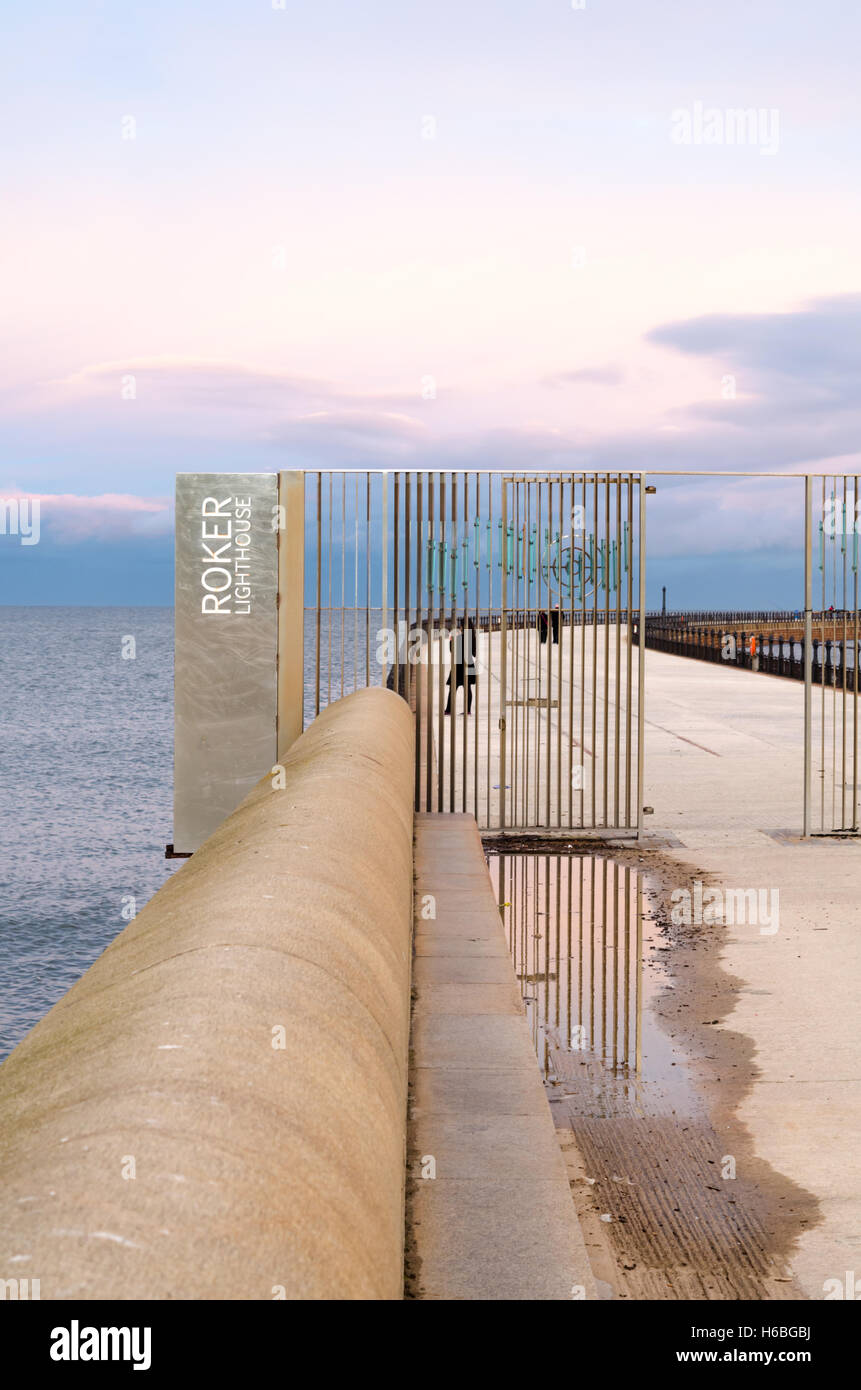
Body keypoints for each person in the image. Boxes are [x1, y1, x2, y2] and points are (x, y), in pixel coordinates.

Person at [445, 618, 477, 714]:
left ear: (463, 626)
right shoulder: (472, 637)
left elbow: (452, 650)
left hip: (459, 665)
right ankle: (467, 710)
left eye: (461, 625)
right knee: (467, 689)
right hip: (469, 664)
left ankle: (449, 710)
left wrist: (451, 641)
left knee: (453, 688)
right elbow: (474, 653)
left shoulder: (459, 638)